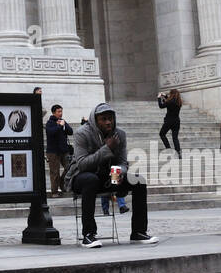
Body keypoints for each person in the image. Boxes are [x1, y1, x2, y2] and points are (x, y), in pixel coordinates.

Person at [64, 102, 157, 248]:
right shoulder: (82, 133)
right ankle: (88, 234)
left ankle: (138, 232)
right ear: (96, 120)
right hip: (81, 177)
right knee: (90, 180)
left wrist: (117, 174)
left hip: (109, 176)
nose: (108, 122)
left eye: (110, 118)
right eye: (104, 119)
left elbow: (122, 162)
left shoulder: (119, 134)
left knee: (139, 180)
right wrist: (107, 148)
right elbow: (82, 164)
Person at [45, 105, 73, 196]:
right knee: (54, 172)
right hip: (53, 152)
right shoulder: (50, 123)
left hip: (64, 150)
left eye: (61, 111)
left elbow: (71, 132)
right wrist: (59, 126)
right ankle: (55, 192)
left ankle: (62, 182)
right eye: (58, 111)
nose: (60, 113)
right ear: (53, 113)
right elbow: (51, 132)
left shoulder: (62, 121)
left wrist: (64, 125)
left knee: (69, 168)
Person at [158, 88, 182, 158]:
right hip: (176, 121)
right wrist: (165, 96)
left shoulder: (170, 101)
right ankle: (178, 153)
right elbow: (170, 101)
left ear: (171, 94)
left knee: (162, 134)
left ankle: (169, 150)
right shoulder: (179, 102)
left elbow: (161, 106)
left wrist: (159, 98)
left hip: (169, 121)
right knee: (175, 138)